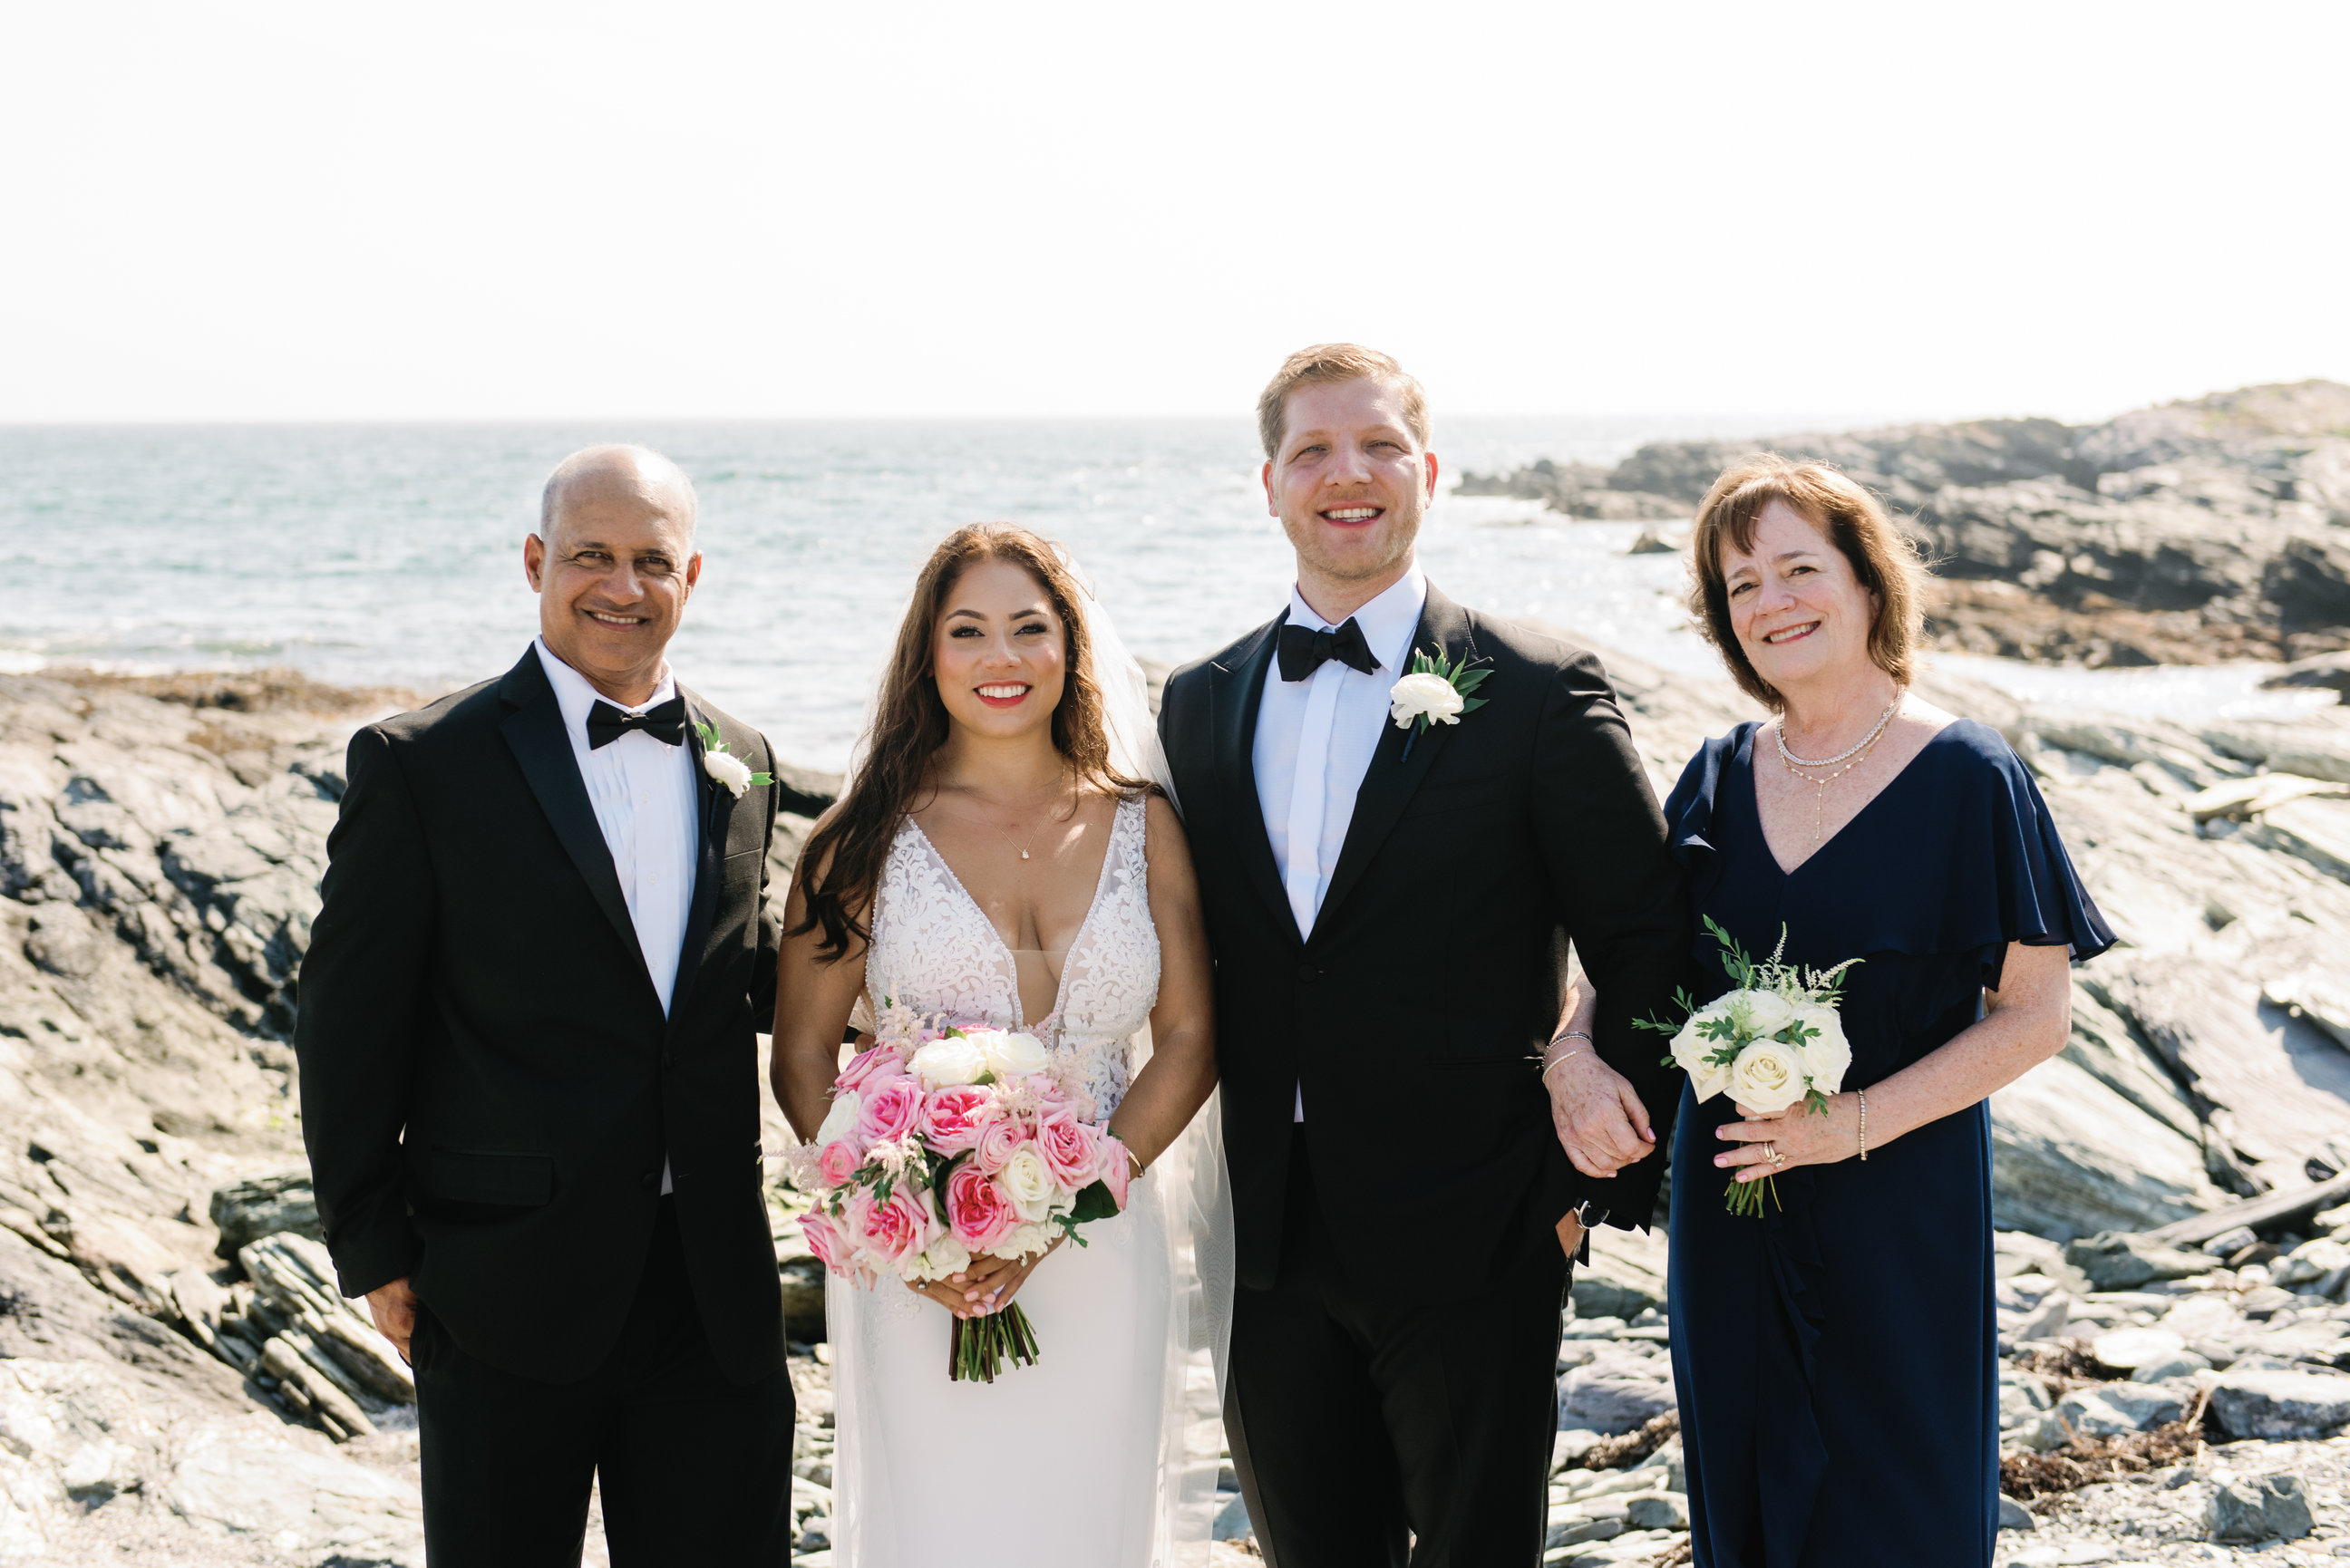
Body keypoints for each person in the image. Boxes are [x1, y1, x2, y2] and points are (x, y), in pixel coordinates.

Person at [1156, 344, 1695, 1566]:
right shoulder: (1198, 699)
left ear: (1430, 473)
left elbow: (1649, 936)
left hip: (1478, 1229)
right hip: (1263, 1238)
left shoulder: (1541, 687)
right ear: (1270, 484)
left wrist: (1581, 1183)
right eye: (1313, 450)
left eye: (1380, 445)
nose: (1347, 473)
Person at [295, 446, 798, 1564]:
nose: (622, 585)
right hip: (500, 1287)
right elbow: (344, 1018)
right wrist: (370, 1244)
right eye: (590, 555)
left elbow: (739, 967)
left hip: (713, 1288)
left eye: (651, 560)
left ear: (692, 576)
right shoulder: (423, 764)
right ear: (535, 561)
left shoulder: (744, 758)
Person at [1661, 456, 2115, 1566]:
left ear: (1868, 581)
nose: (1772, 601)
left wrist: (1850, 1123)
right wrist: (1571, 1057)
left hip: (1899, 1206)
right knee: (1744, 1501)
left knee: (1902, 1501)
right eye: (1742, 584)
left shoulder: (1969, 773)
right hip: (1729, 1205)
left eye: (1799, 568)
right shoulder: (1715, 775)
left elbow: (2036, 1013)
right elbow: (1635, 968)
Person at [769, 523, 1222, 1566]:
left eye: (1029, 626)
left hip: (1107, 1244)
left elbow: (1191, 1035)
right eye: (967, 630)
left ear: (1071, 644)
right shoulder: (861, 838)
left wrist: (1076, 1199)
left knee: (1091, 1522)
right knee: (944, 1523)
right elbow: (801, 1054)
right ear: (927, 654)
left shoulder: (1145, 824)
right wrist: (895, 1216)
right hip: (927, 1271)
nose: (1000, 656)